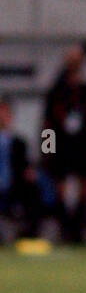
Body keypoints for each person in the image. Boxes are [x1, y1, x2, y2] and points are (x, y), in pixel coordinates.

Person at [42, 46, 86, 243]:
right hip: (62, 146)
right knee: (60, 187)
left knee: (84, 187)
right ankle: (64, 227)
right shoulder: (56, 92)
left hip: (83, 146)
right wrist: (47, 150)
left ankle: (79, 228)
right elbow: (47, 126)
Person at [0, 97, 42, 239]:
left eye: (4, 114)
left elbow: (25, 165)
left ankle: (29, 233)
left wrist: (29, 173)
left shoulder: (19, 143)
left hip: (13, 184)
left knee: (33, 189)